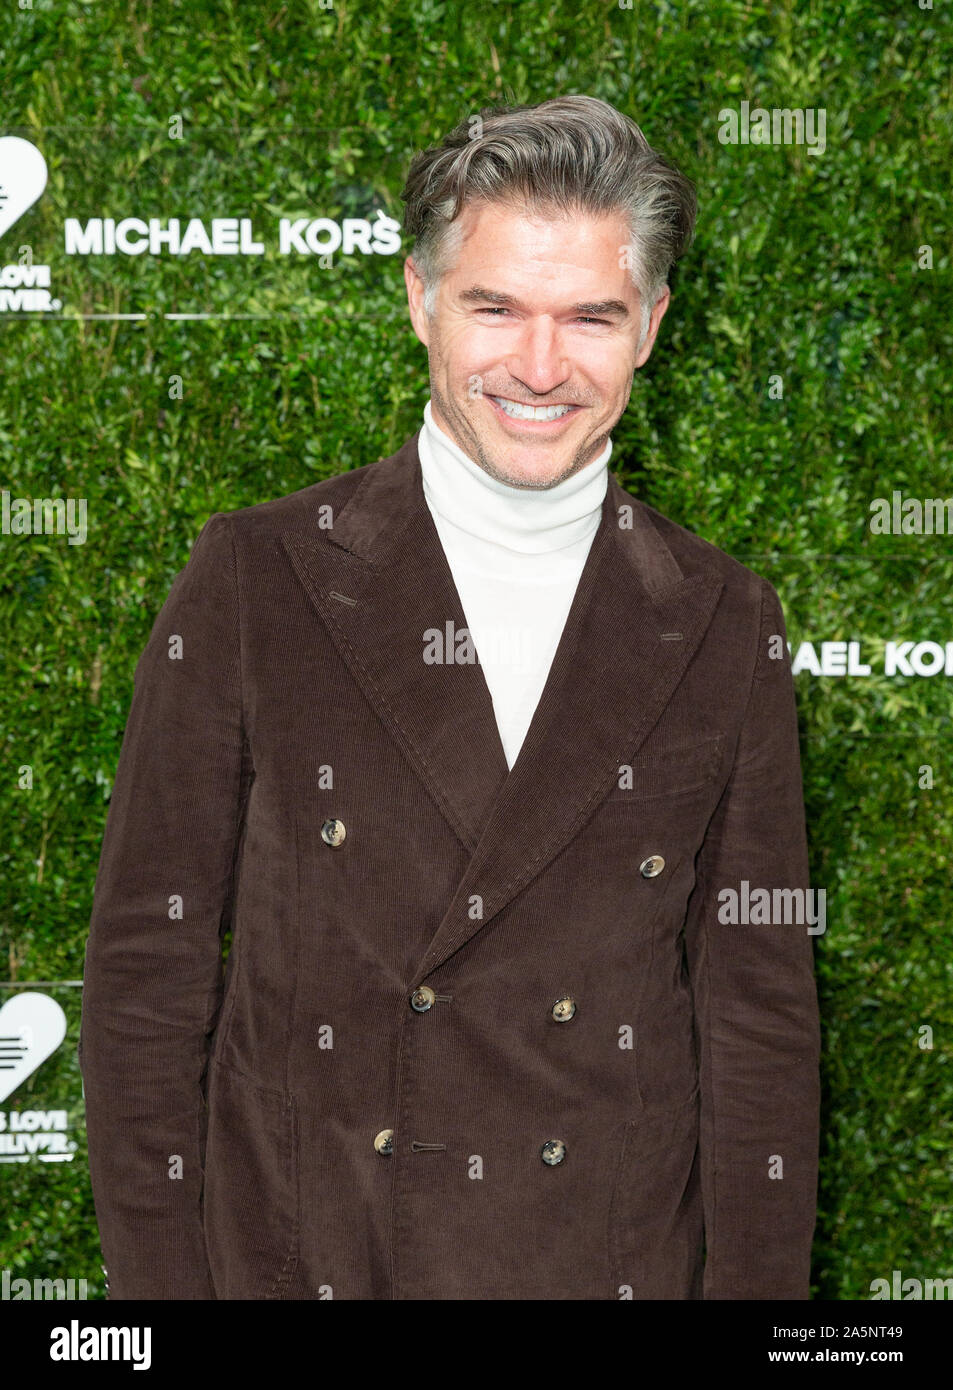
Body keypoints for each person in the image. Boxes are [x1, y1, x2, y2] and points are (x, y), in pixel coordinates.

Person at [79, 94, 821, 1300]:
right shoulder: (259, 575)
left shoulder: (724, 619)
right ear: (421, 300)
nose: (539, 367)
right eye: (494, 307)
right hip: (316, 1260)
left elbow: (757, 1018)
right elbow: (148, 967)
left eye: (589, 315)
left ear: (650, 326)